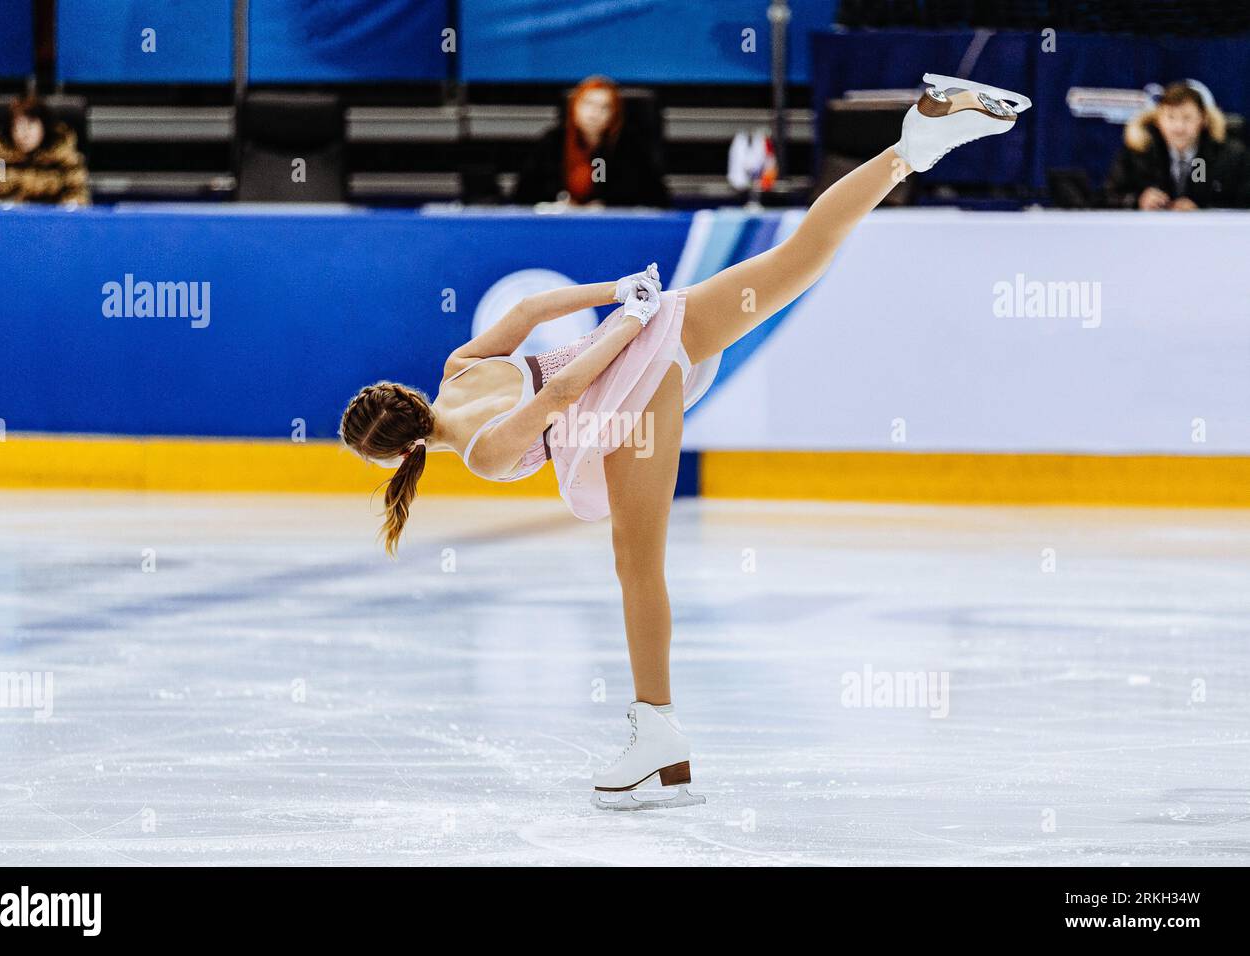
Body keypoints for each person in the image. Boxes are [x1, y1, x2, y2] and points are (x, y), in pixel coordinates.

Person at [340, 74, 1031, 810]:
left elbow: (562, 397)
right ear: (403, 397)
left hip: (631, 394)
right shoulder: (459, 369)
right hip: (648, 336)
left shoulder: (480, 453)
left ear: (396, 452)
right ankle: (913, 144)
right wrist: (620, 295)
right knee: (802, 254)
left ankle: (657, 733)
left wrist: (631, 329)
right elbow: (537, 307)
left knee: (638, 567)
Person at [512, 75, 668, 208]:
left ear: (614, 115)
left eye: (605, 107)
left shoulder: (629, 147)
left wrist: (606, 204)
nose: (595, 113)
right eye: (588, 104)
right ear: (574, 107)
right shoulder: (552, 143)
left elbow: (655, 199)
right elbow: (523, 195)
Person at [1104, 81, 1250, 210]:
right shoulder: (1139, 150)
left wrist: (1202, 207)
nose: (1179, 127)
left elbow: (1243, 200)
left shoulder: (1230, 155)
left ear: (1203, 119)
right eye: (1170, 117)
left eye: (1187, 118)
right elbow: (1108, 196)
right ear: (1158, 119)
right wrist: (1137, 201)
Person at [0, 95, 90, 206]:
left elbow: (79, 194)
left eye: (30, 126)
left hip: (51, 227)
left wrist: (70, 205)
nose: (23, 133)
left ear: (44, 127)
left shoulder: (63, 158)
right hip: (6, 227)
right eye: (17, 127)